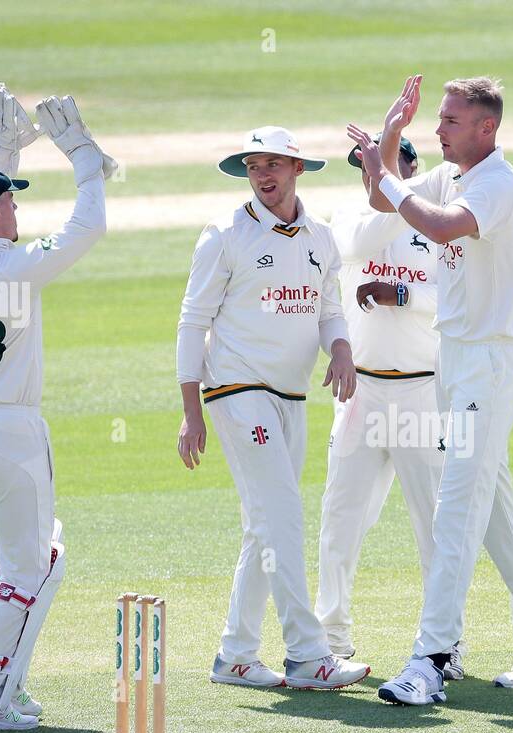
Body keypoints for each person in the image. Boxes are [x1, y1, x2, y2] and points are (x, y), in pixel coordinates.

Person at [348, 75, 513, 706]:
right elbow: (379, 203)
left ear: (487, 129)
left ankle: (432, 655)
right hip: (457, 356)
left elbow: (442, 228)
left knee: (457, 502)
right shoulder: (451, 174)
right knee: (491, 501)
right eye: (440, 118)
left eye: (451, 121)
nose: (440, 129)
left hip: (491, 361)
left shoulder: (499, 185)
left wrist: (387, 174)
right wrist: (390, 135)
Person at [0, 84, 112, 730]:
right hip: (9, 433)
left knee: (38, 560)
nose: (15, 208)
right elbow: (88, 225)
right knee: (31, 567)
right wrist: (84, 158)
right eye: (9, 199)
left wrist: (1, 146)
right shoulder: (15, 267)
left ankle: (3, 685)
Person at [176, 126, 371, 691]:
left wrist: (341, 349)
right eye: (253, 165)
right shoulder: (224, 235)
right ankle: (308, 655)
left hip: (290, 394)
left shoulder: (321, 237)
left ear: (298, 169)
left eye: (274, 164)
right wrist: (192, 411)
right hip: (237, 389)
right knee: (283, 518)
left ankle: (236, 654)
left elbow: (328, 308)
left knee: (263, 527)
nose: (262, 175)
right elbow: (193, 323)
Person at [316, 135, 465, 676]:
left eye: (383, 163)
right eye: (364, 164)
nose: (370, 173)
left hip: (423, 393)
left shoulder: (443, 223)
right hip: (361, 393)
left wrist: (400, 295)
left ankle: (445, 645)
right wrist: (392, 190)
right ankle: (329, 640)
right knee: (341, 519)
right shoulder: (350, 217)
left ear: (412, 165)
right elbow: (367, 237)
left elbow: (454, 301)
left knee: (434, 526)